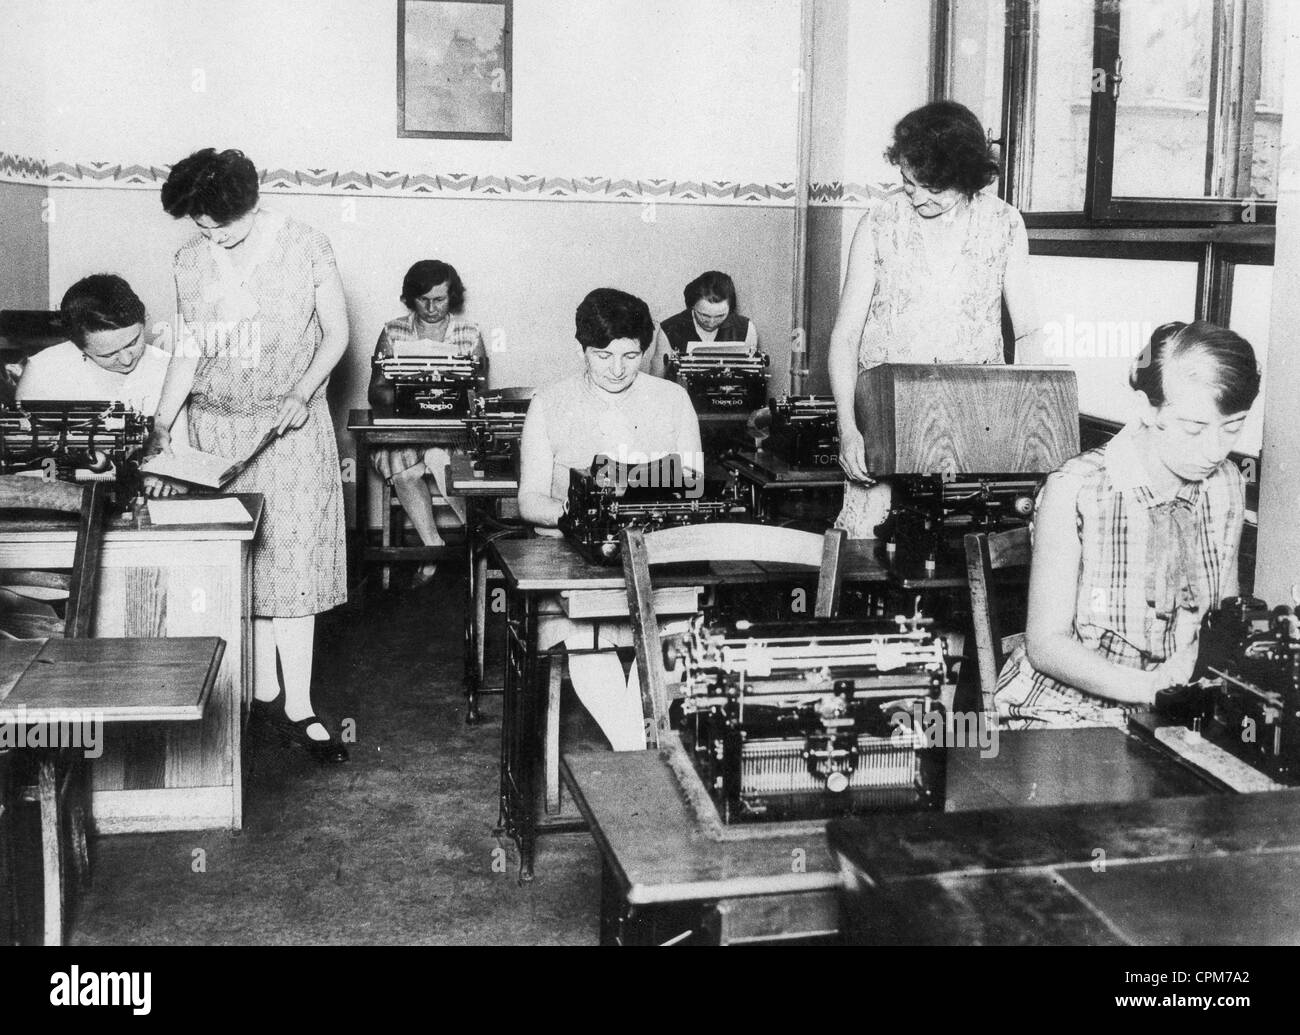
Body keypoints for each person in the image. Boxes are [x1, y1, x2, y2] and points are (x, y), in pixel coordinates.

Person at [145, 147, 350, 764]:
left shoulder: (305, 245)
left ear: (252, 205)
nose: (213, 236)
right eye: (201, 226)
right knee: (241, 566)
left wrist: (301, 389)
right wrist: (164, 422)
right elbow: (187, 348)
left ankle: (300, 705)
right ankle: (259, 699)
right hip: (217, 432)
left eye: (222, 225)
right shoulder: (189, 260)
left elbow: (336, 332)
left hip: (288, 431)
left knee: (294, 566)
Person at [994, 321, 1260, 729]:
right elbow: (1046, 646)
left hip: (1171, 714)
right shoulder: (1076, 488)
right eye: (1194, 427)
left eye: (1233, 426)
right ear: (1146, 408)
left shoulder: (1226, 483)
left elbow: (1223, 618)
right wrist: (1152, 687)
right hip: (1061, 713)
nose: (1215, 450)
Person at [827, 101, 1042, 537]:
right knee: (870, 552)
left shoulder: (1004, 225)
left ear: (965, 179)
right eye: (909, 183)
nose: (918, 197)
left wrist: (1024, 426)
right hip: (884, 423)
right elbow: (846, 337)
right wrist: (848, 429)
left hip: (973, 421)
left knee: (965, 552)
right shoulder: (878, 223)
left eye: (933, 189)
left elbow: (1028, 331)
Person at [518, 288, 702, 750]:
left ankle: (634, 755)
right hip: (574, 559)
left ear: (647, 350)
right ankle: (637, 756)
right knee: (587, 639)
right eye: (603, 355)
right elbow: (529, 500)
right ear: (582, 349)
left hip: (657, 555)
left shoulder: (673, 399)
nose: (617, 369)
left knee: (671, 634)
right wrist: (577, 515)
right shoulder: (549, 402)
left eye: (630, 355)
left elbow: (695, 484)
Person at [367, 259, 487, 586]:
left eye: (441, 299)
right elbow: (375, 392)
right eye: (424, 300)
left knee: (440, 459)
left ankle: (485, 548)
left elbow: (480, 392)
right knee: (403, 470)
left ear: (453, 297)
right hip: (405, 430)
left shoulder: (469, 333)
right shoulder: (393, 331)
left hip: (452, 434)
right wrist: (412, 390)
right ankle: (433, 546)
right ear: (411, 297)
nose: (432, 308)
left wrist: (452, 389)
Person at [17, 275, 170, 415]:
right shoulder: (44, 370)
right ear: (78, 346)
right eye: (108, 354)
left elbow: (179, 443)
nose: (126, 360)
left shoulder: (167, 367)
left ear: (144, 320)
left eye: (132, 343)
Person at [644, 270, 759, 379]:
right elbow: (656, 379)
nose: (711, 322)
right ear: (692, 306)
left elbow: (752, 377)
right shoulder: (670, 329)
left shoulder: (746, 328)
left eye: (720, 316)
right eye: (704, 315)